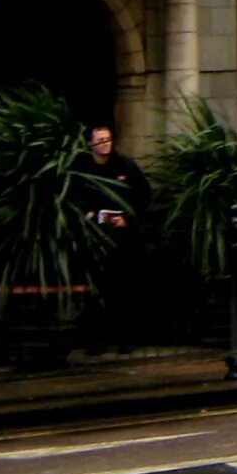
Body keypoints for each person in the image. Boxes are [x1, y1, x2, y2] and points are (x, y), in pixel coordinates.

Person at [79, 123, 152, 353]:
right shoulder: (83, 168)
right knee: (97, 288)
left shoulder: (125, 165)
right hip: (95, 236)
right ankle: (96, 340)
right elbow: (76, 198)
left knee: (124, 287)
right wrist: (90, 216)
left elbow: (143, 195)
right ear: (90, 143)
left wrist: (128, 218)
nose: (105, 144)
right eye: (100, 140)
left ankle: (125, 339)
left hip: (123, 236)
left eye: (108, 139)